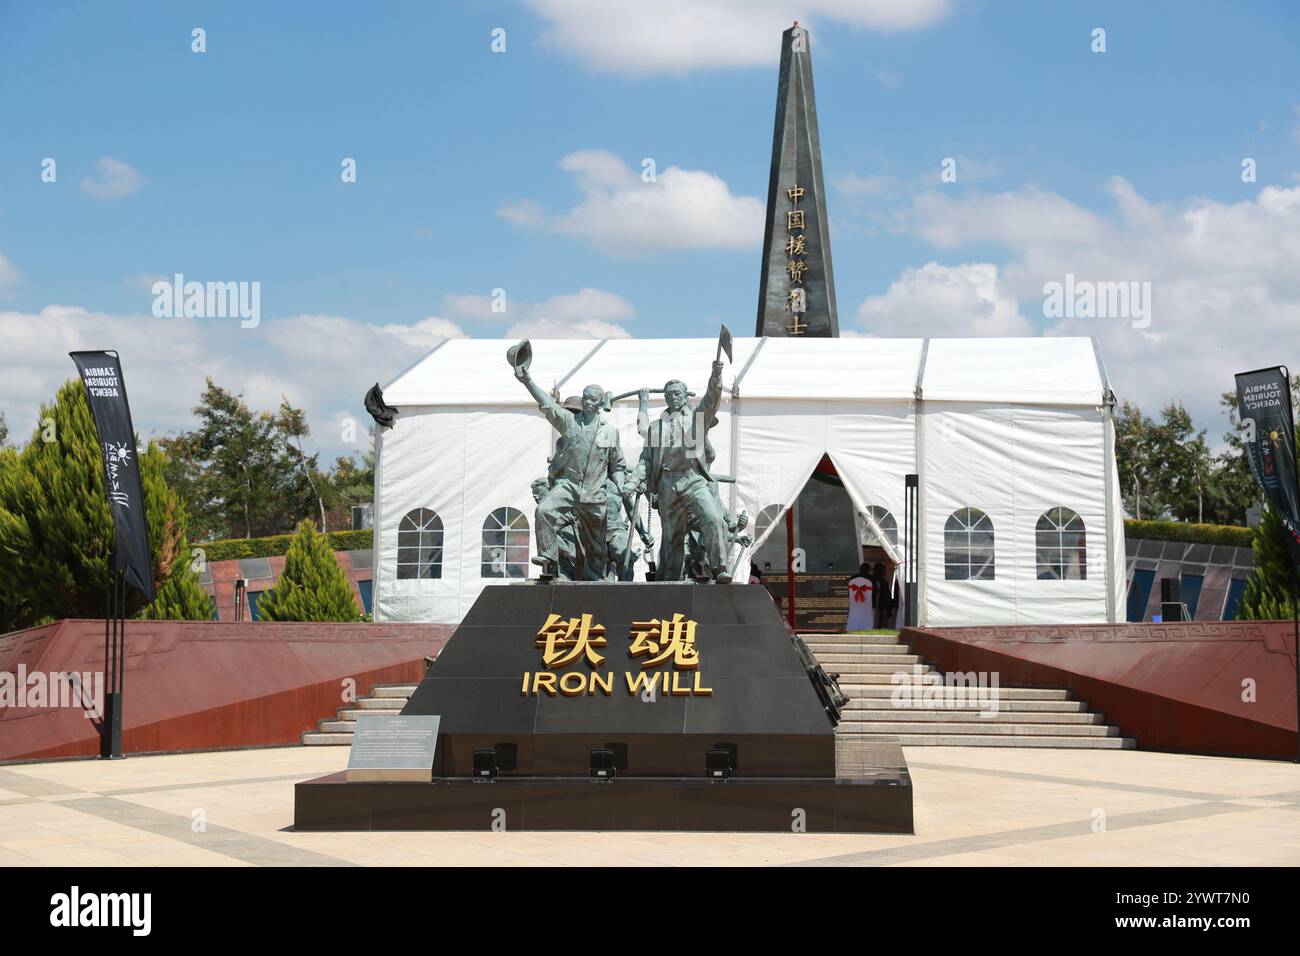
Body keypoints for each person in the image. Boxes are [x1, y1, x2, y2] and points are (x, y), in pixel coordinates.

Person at [515, 369, 625, 580]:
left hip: (594, 494)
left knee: (596, 548)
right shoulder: (570, 423)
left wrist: (621, 483)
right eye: (585, 398)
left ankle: (596, 580)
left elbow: (617, 464)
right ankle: (548, 555)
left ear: (601, 403)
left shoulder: (611, 432)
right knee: (544, 510)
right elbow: (549, 406)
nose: (588, 402)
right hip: (569, 486)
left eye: (593, 399)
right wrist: (527, 380)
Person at [632, 362, 730, 582]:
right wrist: (634, 480)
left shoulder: (696, 419)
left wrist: (716, 375)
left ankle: (720, 567)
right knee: (671, 537)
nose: (672, 397)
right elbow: (646, 459)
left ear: (686, 396)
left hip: (693, 480)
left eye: (677, 393)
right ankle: (670, 579)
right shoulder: (656, 427)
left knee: (713, 518)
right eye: (668, 394)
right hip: (667, 482)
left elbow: (711, 399)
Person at [846, 562, 876, 631]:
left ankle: (853, 626)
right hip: (869, 604)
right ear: (869, 570)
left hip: (854, 603)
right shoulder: (872, 579)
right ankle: (867, 626)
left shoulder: (852, 578)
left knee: (855, 614)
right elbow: (875, 592)